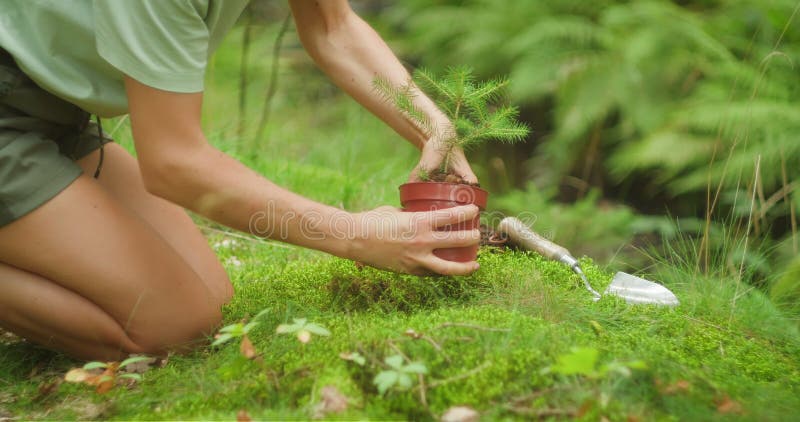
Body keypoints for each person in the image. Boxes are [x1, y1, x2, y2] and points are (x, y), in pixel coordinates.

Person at [0, 0, 481, 360]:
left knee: (211, 304)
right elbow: (174, 163)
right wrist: (356, 235)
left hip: (55, 113)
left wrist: (434, 129)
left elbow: (333, 27)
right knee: (171, 327)